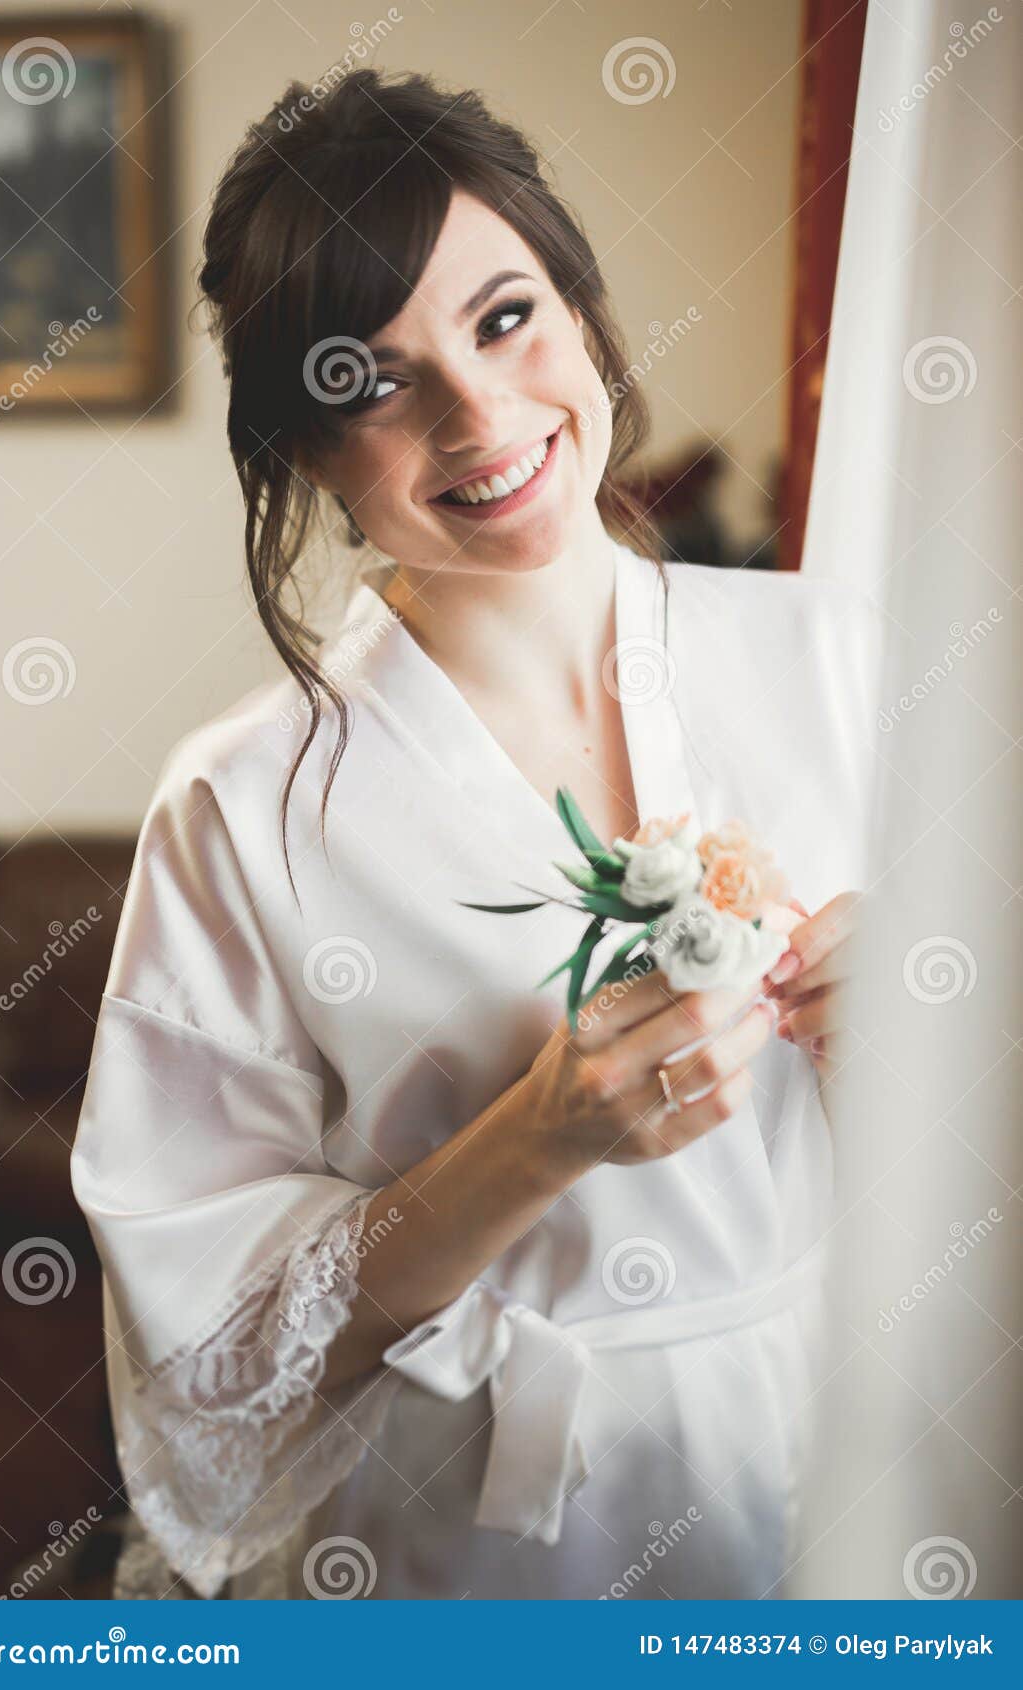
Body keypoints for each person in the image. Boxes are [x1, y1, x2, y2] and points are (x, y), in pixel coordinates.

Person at [70, 67, 882, 1601]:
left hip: (824, 1463)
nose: (478, 412)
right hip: (462, 1539)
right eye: (368, 380)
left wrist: (928, 1011)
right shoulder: (243, 806)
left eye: (505, 318)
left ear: (580, 308)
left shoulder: (839, 656)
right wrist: (541, 1134)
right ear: (303, 458)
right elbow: (216, 1362)